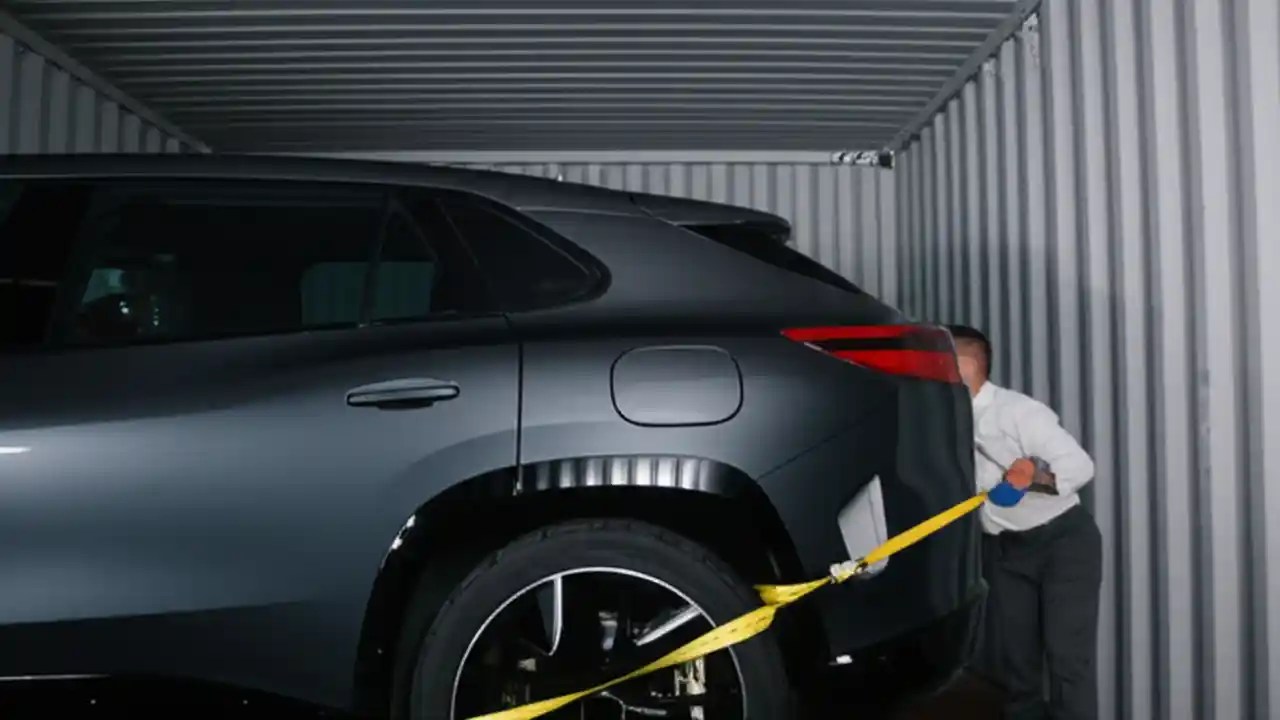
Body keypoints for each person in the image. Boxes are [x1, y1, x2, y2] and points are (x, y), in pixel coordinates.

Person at [948, 324, 1102, 720]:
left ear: (965, 363)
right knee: (1019, 665)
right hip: (1002, 548)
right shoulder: (946, 417)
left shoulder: (1017, 412)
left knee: (1068, 660)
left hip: (1062, 544)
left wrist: (1032, 478)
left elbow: (1080, 467)